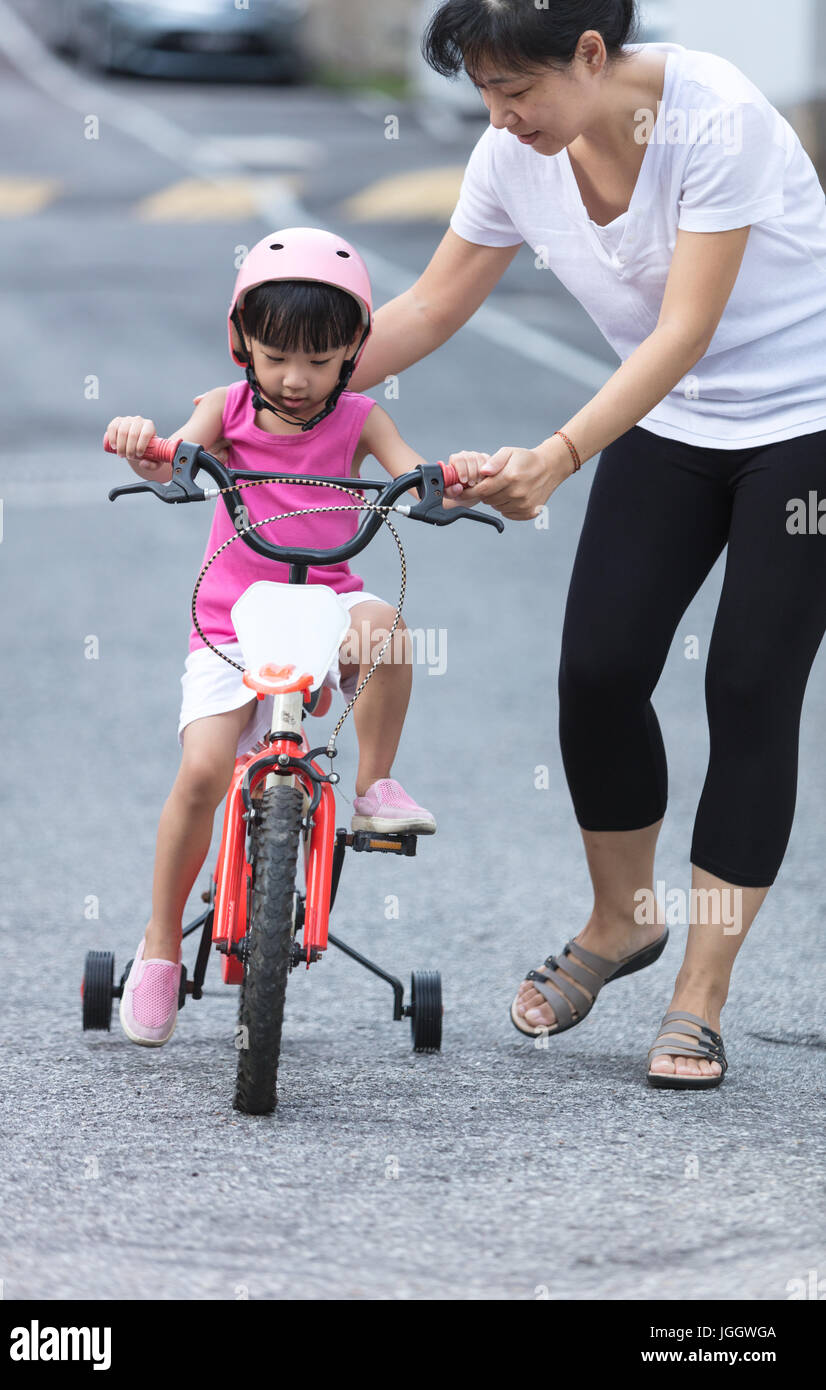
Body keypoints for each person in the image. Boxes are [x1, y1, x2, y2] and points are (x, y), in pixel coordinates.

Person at [349, 0, 826, 1089]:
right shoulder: (510, 155)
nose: (498, 116)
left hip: (801, 427)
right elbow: (424, 309)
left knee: (750, 688)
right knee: (597, 672)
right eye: (481, 94)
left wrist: (558, 454)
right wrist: (275, 387)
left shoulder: (713, 118)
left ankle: (698, 998)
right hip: (669, 422)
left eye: (515, 91)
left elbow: (681, 328)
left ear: (591, 54)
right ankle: (621, 919)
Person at [105, 226, 465, 1047]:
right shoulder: (224, 408)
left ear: (354, 351)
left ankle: (375, 786)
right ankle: (161, 944)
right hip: (232, 620)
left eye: (319, 359)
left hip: (326, 604)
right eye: (275, 358)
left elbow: (416, 471)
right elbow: (174, 458)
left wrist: (449, 480)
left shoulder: (362, 417)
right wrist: (143, 447)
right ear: (242, 344)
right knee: (202, 771)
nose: (296, 381)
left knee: (391, 633)